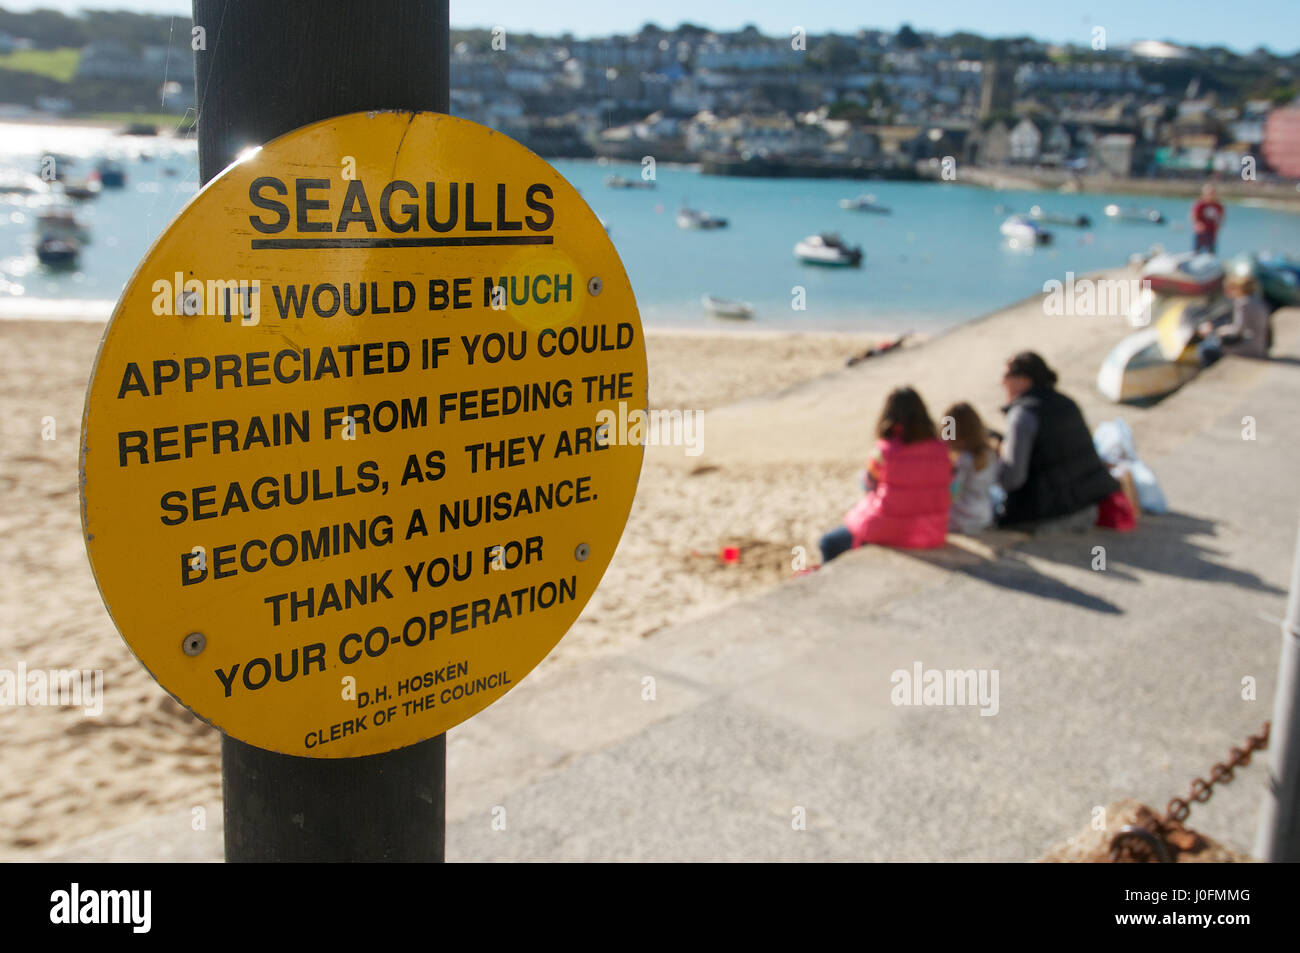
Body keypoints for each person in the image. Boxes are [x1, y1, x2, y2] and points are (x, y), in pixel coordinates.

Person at [819, 386, 951, 562]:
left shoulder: (884, 450)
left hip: (892, 530)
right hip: (932, 531)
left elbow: (868, 483)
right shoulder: (942, 450)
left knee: (827, 543)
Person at [995, 352, 1119, 532]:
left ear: (1024, 380)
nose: (1001, 382)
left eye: (1005, 376)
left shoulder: (1022, 414)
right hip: (1088, 505)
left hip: (1045, 514)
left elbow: (1012, 479)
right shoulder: (1068, 403)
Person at [942, 402, 997, 534]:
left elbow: (952, 494)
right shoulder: (990, 454)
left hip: (960, 519)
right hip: (985, 515)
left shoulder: (962, 461)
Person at [1197, 273, 1272, 365]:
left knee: (1205, 349)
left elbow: (1239, 329)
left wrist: (1219, 330)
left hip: (1249, 347)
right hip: (1260, 345)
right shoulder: (1258, 301)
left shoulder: (1242, 304)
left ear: (1238, 288)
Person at [1190, 183, 1225, 255]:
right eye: (1209, 193)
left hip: (1212, 232)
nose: (1211, 195)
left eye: (1212, 193)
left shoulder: (1218, 206)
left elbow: (1221, 217)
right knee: (1196, 253)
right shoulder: (1200, 204)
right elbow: (1194, 216)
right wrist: (1198, 225)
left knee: (1211, 253)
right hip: (1200, 233)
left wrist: (1218, 228)